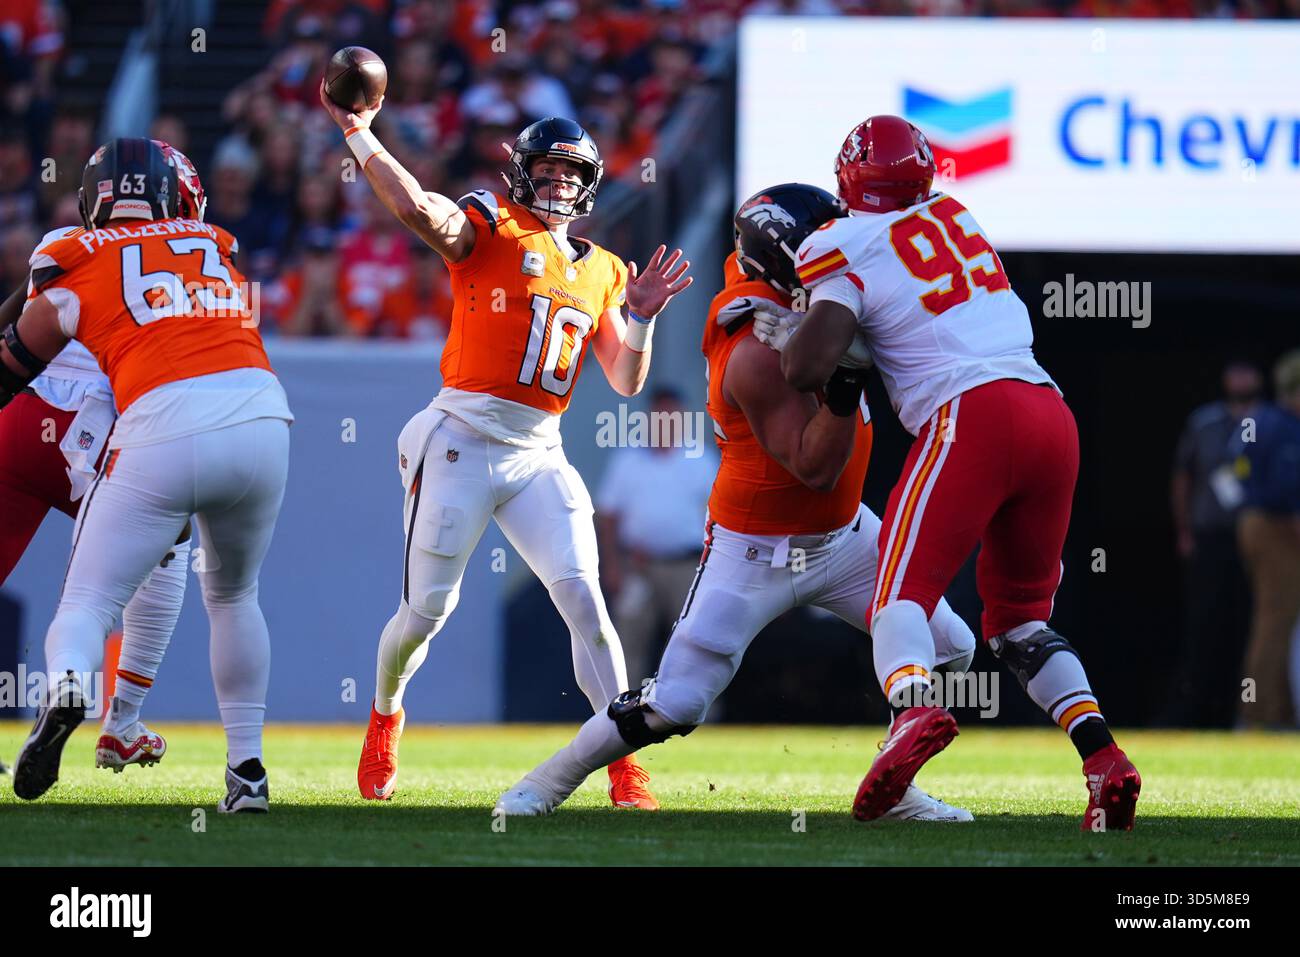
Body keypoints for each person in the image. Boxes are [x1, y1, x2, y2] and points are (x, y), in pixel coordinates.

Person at [494, 184, 976, 821]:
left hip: (845, 536)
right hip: (756, 549)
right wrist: (847, 373)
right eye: (818, 253)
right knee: (676, 705)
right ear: (783, 266)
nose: (837, 263)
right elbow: (815, 469)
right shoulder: (752, 351)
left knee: (950, 645)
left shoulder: (788, 292)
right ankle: (546, 782)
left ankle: (895, 781)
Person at [319, 83, 692, 809]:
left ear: (589, 186)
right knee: (426, 610)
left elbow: (623, 376)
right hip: (460, 435)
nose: (559, 184)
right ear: (521, 173)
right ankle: (386, 712)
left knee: (586, 598)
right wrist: (361, 134)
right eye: (547, 171)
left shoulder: (606, 268)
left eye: (571, 175)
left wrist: (640, 319)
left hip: (539, 452)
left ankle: (620, 761)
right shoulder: (490, 221)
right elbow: (419, 210)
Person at [779, 117, 1140, 831]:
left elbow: (804, 368)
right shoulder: (955, 213)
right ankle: (1103, 760)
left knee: (898, 598)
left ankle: (912, 713)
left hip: (971, 414)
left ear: (848, 179)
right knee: (1020, 624)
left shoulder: (837, 242)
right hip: (1049, 411)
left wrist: (813, 333)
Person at [2, 138, 294, 811]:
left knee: (86, 604)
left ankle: (77, 684)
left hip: (107, 425)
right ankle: (240, 767)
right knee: (230, 593)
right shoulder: (214, 242)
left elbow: (19, 345)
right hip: (259, 415)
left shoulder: (72, 249)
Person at [0, 141, 208, 774]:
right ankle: (121, 721)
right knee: (168, 547)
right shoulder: (194, 254)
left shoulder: (62, 242)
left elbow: (15, 324)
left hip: (23, 419)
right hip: (105, 437)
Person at [596, 385, 716, 690]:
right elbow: (608, 517)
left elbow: (720, 519)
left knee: (694, 643)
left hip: (687, 568)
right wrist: (611, 565)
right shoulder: (627, 460)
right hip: (637, 566)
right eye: (659, 415)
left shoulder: (702, 459)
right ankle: (620, 712)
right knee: (628, 642)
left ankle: (695, 715)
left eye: (671, 415)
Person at [1163, 360, 1260, 726]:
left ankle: (1246, 711)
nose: (1241, 379)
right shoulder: (1204, 422)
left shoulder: (1267, 422)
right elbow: (1182, 476)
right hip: (1209, 538)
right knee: (1205, 626)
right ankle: (1194, 712)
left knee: (1250, 624)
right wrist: (1184, 530)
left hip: (1254, 539)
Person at [1229, 350, 1300, 728]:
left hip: (1257, 523)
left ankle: (1278, 712)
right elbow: (1278, 489)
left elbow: (1236, 470)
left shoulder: (1263, 421)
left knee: (1279, 620)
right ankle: (1258, 715)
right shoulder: (1281, 425)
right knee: (1275, 621)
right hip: (1273, 527)